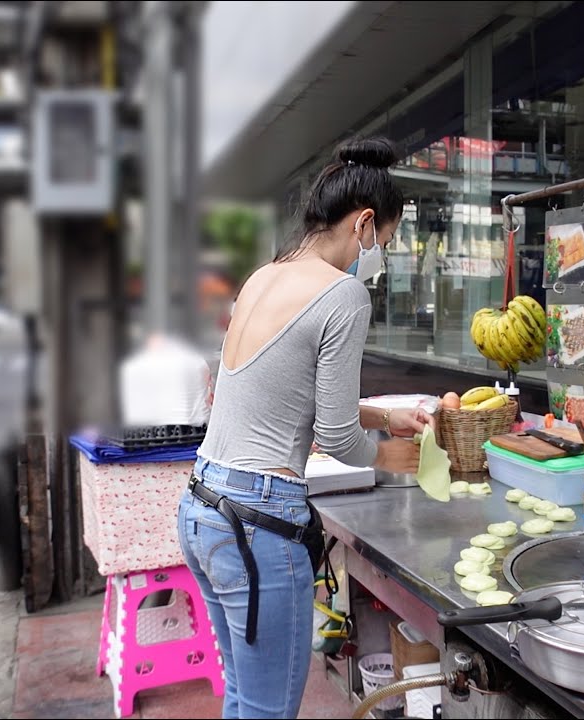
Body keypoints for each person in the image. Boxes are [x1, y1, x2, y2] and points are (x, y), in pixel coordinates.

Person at [178, 137, 431, 719]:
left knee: (245, 696)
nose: (380, 258)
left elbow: (282, 391)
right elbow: (339, 438)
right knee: (268, 710)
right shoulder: (342, 294)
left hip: (204, 507)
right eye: (385, 243)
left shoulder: (265, 276)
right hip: (256, 527)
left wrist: (384, 415)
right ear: (364, 224)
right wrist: (394, 457)